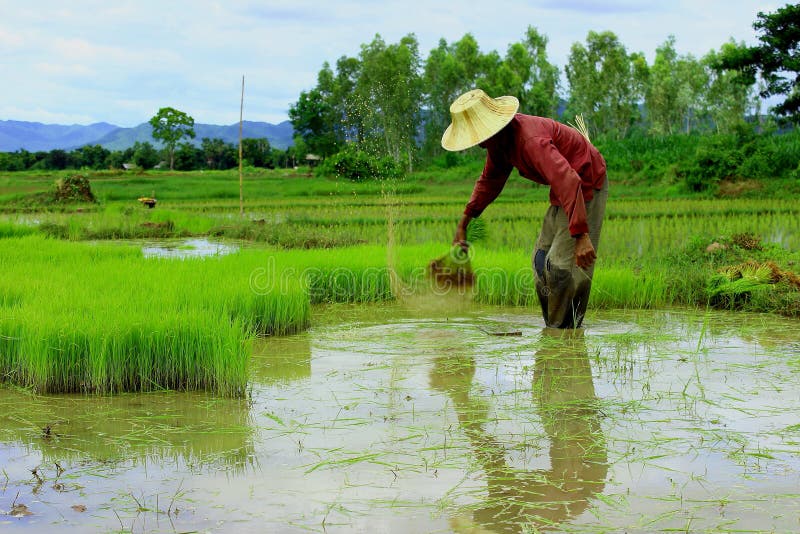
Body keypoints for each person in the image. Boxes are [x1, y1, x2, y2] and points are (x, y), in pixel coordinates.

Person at [442, 89, 608, 329]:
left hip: (586, 181)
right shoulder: (500, 145)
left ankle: (566, 332)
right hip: (563, 189)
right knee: (540, 263)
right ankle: (553, 327)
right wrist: (463, 224)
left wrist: (582, 236)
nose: (478, 143)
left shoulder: (530, 140)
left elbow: (569, 180)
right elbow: (489, 182)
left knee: (561, 267)